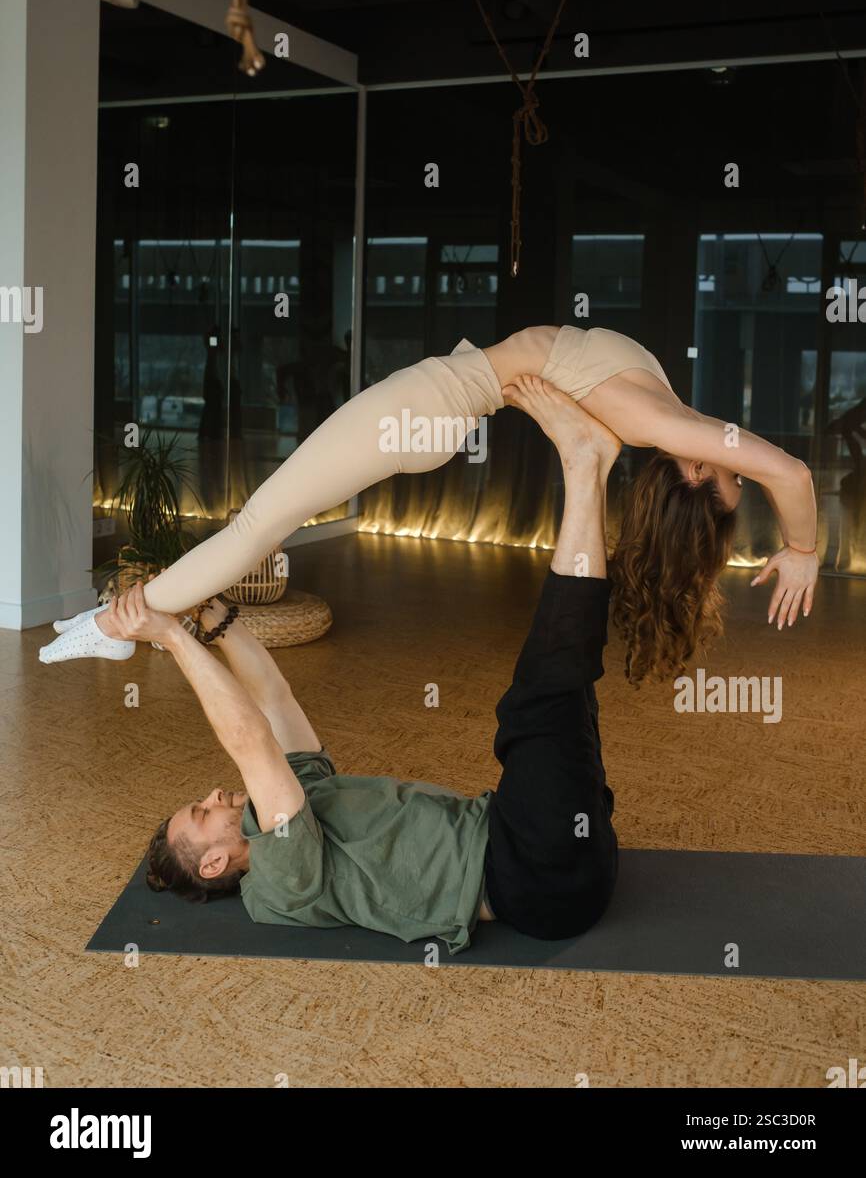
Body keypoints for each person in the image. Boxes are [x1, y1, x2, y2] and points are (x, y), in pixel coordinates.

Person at [105, 378, 621, 954]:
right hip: (535, 876)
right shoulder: (280, 880)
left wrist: (217, 618)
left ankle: (593, 467)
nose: (216, 794)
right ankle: (582, 462)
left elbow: (274, 700)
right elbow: (249, 742)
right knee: (539, 701)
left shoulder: (291, 802)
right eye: (202, 811)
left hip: (541, 838)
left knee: (567, 690)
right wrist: (171, 638)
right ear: (216, 863)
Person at [39, 324, 818, 683]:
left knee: (257, 524)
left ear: (694, 481)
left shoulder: (660, 422)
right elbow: (779, 469)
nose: (736, 469)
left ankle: (115, 626)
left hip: (435, 404)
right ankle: (119, 622)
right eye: (736, 481)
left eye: (727, 481)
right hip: (440, 405)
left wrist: (806, 551)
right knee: (262, 520)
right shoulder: (664, 413)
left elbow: (791, 474)